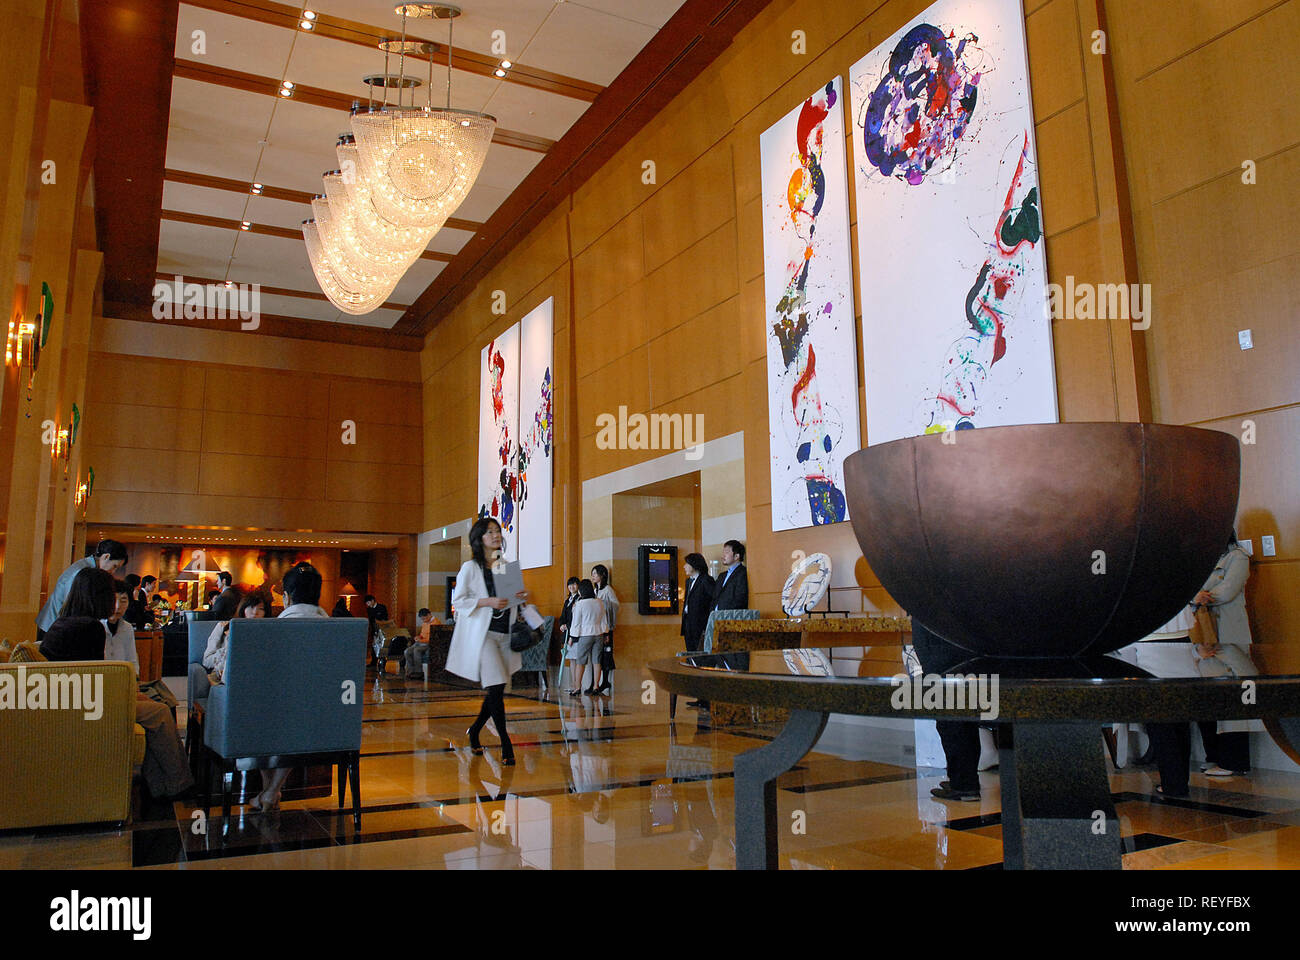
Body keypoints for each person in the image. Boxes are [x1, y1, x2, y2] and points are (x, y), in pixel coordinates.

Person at [40, 568, 194, 801]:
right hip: (84, 706)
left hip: (69, 700)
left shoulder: (64, 622)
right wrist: (130, 695)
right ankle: (178, 784)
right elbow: (98, 681)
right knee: (160, 712)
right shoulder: (89, 627)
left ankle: (160, 784)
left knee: (156, 706)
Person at [445, 518, 529, 765]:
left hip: (505, 634)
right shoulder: (470, 568)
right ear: (479, 537)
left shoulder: (505, 566)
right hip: (483, 636)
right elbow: (458, 601)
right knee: (496, 686)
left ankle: (474, 730)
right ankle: (506, 743)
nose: (495, 535)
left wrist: (519, 598)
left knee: (496, 688)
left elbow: (512, 602)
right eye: (489, 531)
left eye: (497, 531)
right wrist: (486, 601)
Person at [248, 562, 329, 812]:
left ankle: (269, 789)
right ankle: (271, 791)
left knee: (256, 718)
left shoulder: (273, 630)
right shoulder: (336, 629)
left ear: (285, 597)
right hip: (328, 720)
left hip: (282, 721)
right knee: (297, 715)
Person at [1192, 534, 1255, 778]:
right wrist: (1195, 597)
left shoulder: (1237, 557)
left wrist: (1202, 596)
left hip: (1230, 632)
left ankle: (1235, 761)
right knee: (1209, 698)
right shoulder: (1202, 559)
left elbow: (1228, 590)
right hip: (1204, 633)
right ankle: (1214, 755)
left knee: (1233, 698)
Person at [910, 620, 984, 801]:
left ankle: (964, 785)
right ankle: (965, 779)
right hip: (959, 651)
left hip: (941, 653)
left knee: (950, 721)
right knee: (964, 718)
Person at [35, 539, 128, 642]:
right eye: (114, 566)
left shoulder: (90, 569)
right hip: (54, 628)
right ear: (106, 557)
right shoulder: (82, 572)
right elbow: (73, 606)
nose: (113, 572)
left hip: (61, 627)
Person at [202, 592, 267, 685]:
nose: (255, 612)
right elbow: (207, 661)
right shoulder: (224, 627)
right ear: (243, 608)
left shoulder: (267, 634)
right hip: (229, 677)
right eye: (251, 607)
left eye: (260, 609)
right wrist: (228, 649)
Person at [565, 580, 608, 697]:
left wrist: (572, 638)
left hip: (585, 634)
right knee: (596, 661)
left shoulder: (580, 604)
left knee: (581, 661)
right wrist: (606, 633)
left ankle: (577, 687)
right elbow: (604, 619)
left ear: (581, 590)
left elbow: (576, 623)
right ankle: (596, 686)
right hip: (598, 634)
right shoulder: (599, 602)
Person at [590, 564, 620, 695]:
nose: (593, 577)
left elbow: (616, 605)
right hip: (597, 627)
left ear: (602, 575)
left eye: (595, 574)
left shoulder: (608, 590)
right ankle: (595, 681)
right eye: (592, 574)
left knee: (606, 654)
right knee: (597, 655)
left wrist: (604, 605)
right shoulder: (595, 590)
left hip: (606, 627)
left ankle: (605, 680)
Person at [680, 553, 715, 653]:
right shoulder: (689, 581)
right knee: (690, 652)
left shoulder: (706, 580)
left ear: (694, 565)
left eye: (687, 564)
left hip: (700, 624)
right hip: (688, 622)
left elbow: (714, 599)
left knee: (700, 653)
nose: (684, 566)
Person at [103, 579, 139, 676]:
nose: (117, 606)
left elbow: (132, 660)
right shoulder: (96, 626)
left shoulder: (127, 628)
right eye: (113, 600)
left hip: (122, 682)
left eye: (123, 601)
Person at [711, 540, 749, 613]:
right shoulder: (722, 576)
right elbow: (714, 597)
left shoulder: (743, 573)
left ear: (736, 556)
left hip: (731, 618)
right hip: (716, 617)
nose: (723, 556)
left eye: (727, 552)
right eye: (723, 552)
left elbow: (740, 599)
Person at [404, 607, 440, 678]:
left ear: (429, 615)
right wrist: (418, 637)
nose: (424, 620)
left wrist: (421, 640)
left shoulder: (436, 623)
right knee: (407, 651)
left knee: (416, 650)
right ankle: (411, 671)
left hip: (428, 643)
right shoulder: (425, 623)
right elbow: (422, 634)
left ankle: (419, 672)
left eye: (425, 618)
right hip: (420, 642)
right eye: (422, 619)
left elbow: (433, 638)